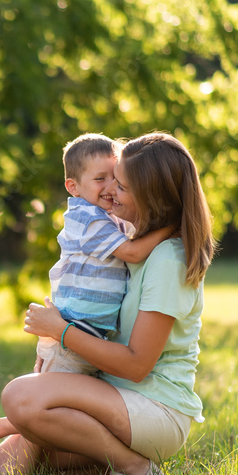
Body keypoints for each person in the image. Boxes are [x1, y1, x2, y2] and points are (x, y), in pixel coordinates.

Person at [0, 132, 215, 475]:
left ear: (151, 196)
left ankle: (136, 469)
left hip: (155, 407)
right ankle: (104, 465)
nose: (112, 191)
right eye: (111, 180)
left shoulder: (167, 260)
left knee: (20, 398)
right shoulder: (126, 241)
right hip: (111, 396)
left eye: (122, 186)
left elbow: (136, 365)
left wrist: (61, 330)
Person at [36, 133, 174, 376]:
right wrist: (173, 225)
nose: (110, 187)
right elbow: (132, 252)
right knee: (51, 400)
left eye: (116, 179)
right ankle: (13, 414)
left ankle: (1, 417)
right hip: (73, 328)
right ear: (73, 187)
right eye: (100, 179)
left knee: (65, 402)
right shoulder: (85, 217)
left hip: (89, 333)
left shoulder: (109, 217)